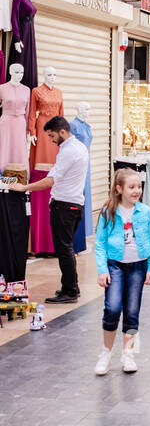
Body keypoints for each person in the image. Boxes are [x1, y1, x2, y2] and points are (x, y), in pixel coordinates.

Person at [9, 115, 89, 302]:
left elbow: (50, 180)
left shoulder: (69, 151)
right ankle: (70, 287)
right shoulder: (79, 147)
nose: (51, 140)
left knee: (64, 249)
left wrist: (25, 187)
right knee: (66, 248)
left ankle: (70, 291)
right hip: (74, 204)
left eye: (52, 136)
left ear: (62, 131)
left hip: (65, 206)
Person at [93, 167, 150, 376]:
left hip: (138, 266)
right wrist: (102, 270)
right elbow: (100, 243)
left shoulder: (145, 211)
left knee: (132, 311)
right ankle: (106, 353)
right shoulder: (108, 212)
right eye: (131, 187)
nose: (137, 190)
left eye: (139, 186)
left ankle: (127, 353)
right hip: (115, 266)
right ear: (119, 189)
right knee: (112, 308)